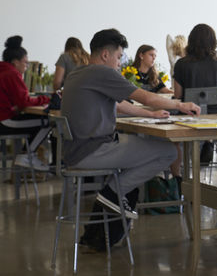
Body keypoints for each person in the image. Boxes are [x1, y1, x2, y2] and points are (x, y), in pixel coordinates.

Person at [61, 28, 199, 250]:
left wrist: (150, 114)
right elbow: (143, 96)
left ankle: (115, 192)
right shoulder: (101, 72)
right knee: (168, 152)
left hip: (76, 152)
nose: (119, 63)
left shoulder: (78, 73)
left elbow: (117, 104)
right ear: (105, 55)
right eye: (118, 57)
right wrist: (180, 105)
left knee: (153, 150)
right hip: (93, 151)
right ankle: (113, 192)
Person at [0, 36, 50, 169]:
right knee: (48, 121)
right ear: (16, 62)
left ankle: (26, 155)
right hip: (5, 121)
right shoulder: (12, 74)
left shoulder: (3, 71)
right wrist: (48, 99)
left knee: (38, 119)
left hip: (3, 119)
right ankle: (27, 156)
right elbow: (24, 102)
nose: (27, 66)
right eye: (25, 63)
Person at [173, 23, 217, 111]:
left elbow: (178, 95)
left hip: (189, 113)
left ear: (190, 41)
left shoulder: (181, 63)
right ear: (213, 41)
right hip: (216, 113)